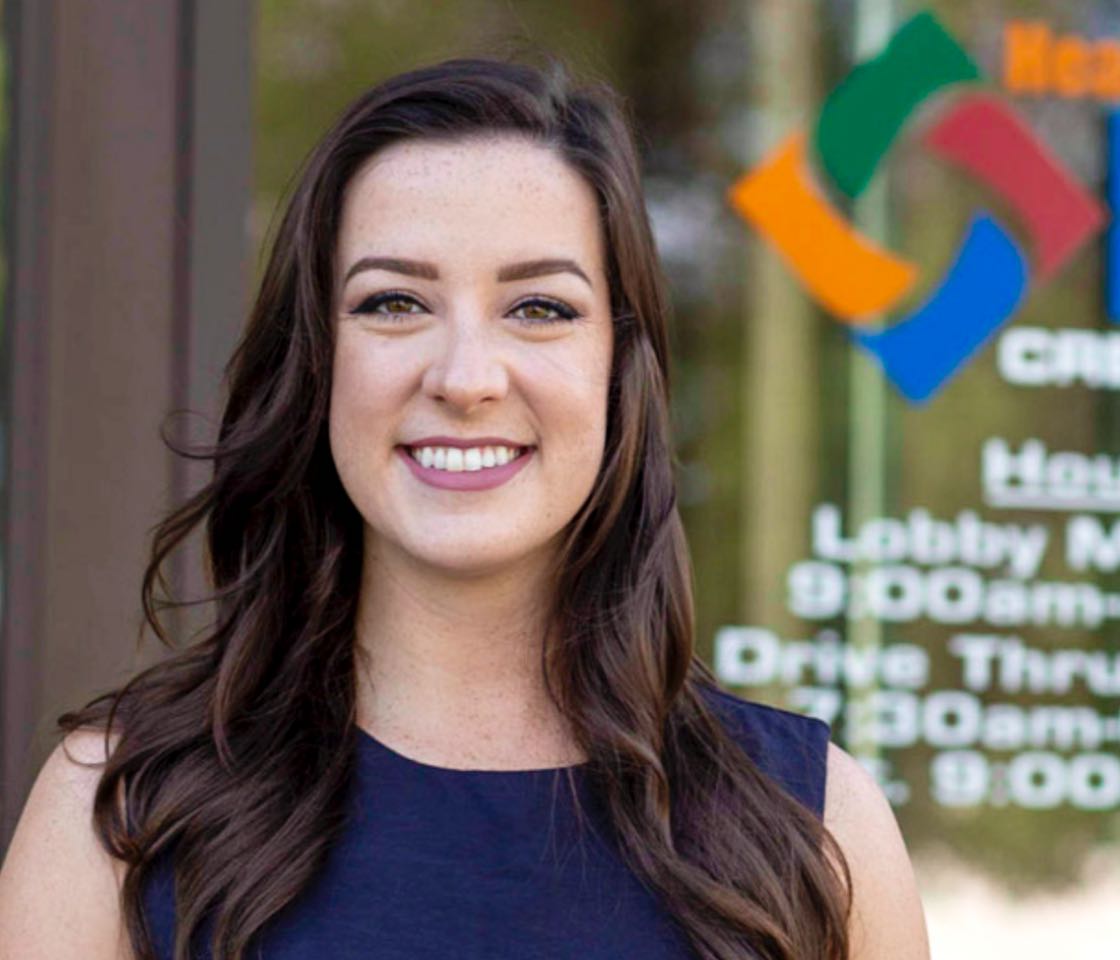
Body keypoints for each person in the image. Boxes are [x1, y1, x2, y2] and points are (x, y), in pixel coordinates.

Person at [0, 54, 929, 960]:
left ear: (621, 370)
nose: (465, 378)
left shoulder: (811, 829)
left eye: (538, 309)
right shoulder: (118, 818)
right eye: (395, 301)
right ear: (317, 360)